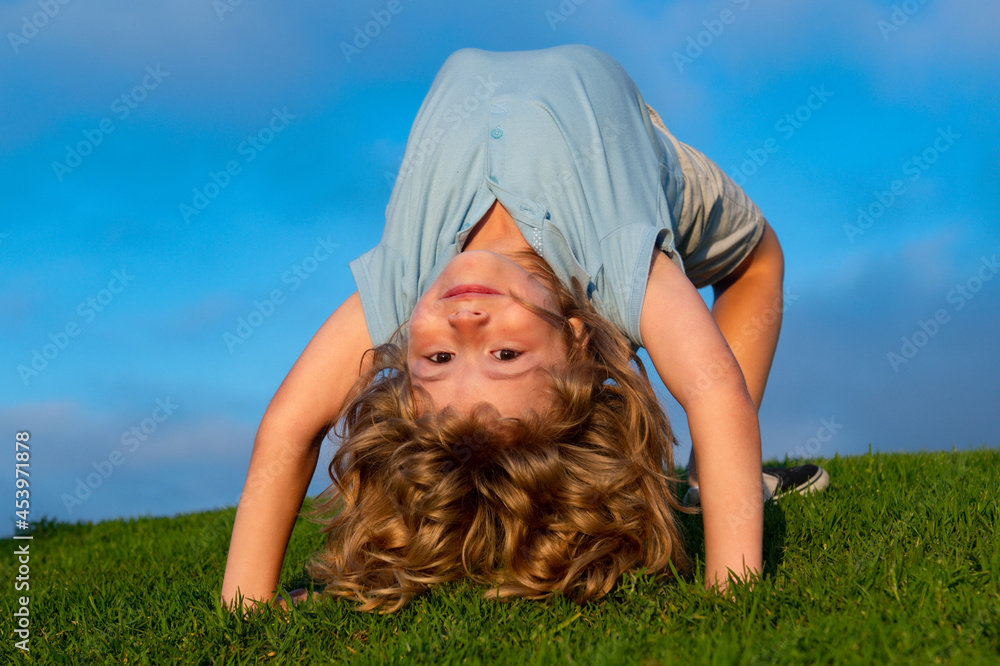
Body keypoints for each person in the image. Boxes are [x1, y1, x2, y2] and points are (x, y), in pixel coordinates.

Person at [221, 45, 828, 613]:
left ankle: (711, 485)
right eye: (505, 353)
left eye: (438, 360)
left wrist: (246, 604)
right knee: (759, 262)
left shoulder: (406, 288)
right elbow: (714, 390)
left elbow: (289, 427)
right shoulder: (617, 266)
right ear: (577, 339)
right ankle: (709, 485)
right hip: (644, 157)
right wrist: (732, 591)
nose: (464, 321)